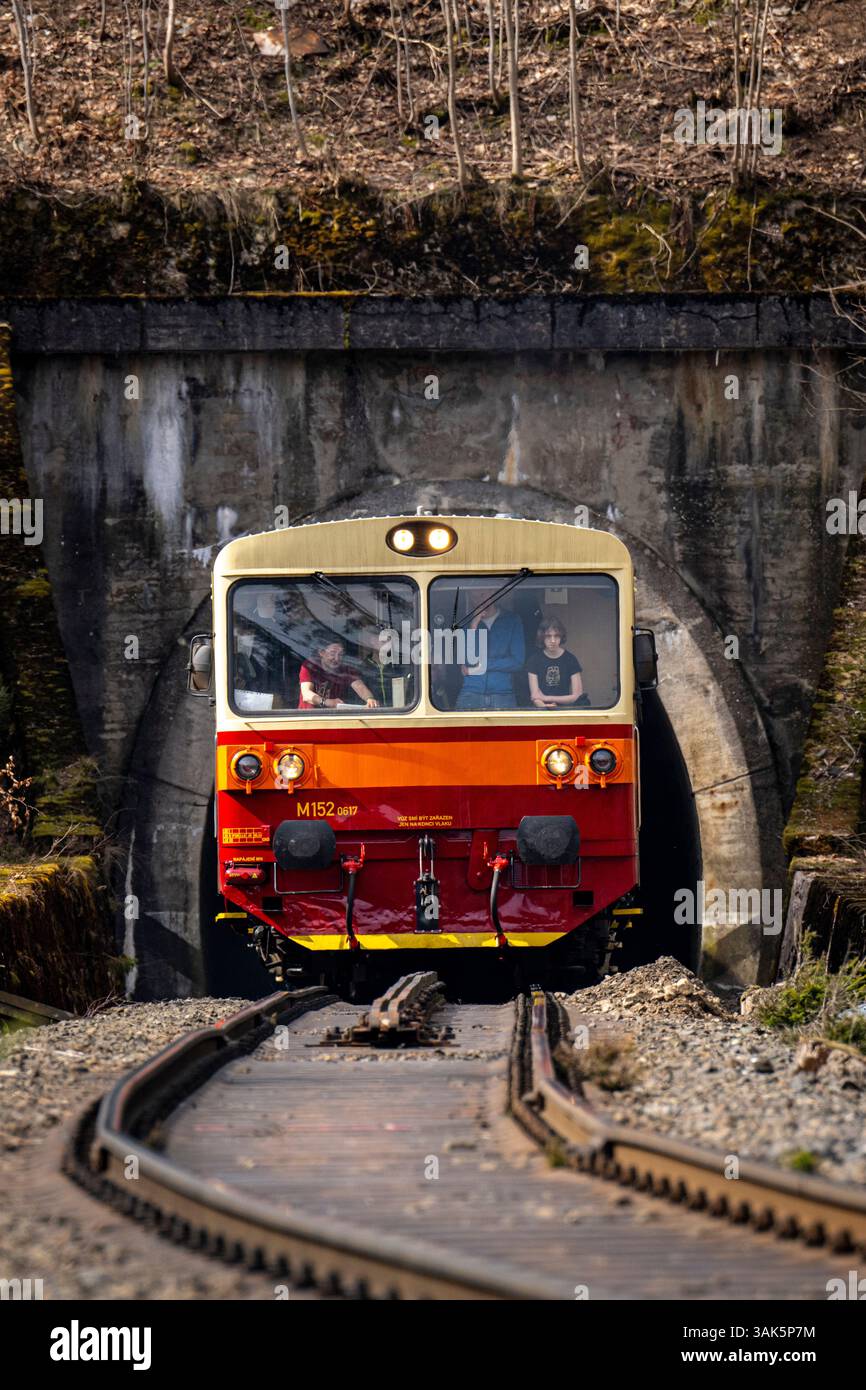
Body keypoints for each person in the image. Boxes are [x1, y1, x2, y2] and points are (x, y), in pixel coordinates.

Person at [456, 588, 525, 710]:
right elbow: (467, 660)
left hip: (502, 692)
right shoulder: (465, 623)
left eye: (483, 594)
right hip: (471, 691)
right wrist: (473, 626)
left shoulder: (512, 620)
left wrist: (483, 666)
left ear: (493, 594)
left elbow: (517, 662)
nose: (479, 600)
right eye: (474, 596)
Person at [298, 637, 379, 709]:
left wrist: (370, 699)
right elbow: (306, 695)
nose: (337, 658)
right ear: (322, 653)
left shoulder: (346, 669)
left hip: (335, 718)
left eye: (340, 654)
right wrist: (327, 702)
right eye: (332, 653)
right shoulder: (310, 666)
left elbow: (359, 686)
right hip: (308, 718)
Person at [526, 615, 583, 708]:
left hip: (565, 710)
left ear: (561, 637)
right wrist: (544, 706)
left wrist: (546, 698)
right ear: (542, 637)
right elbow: (535, 695)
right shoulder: (534, 660)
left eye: (556, 636)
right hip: (541, 711)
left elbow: (577, 695)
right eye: (548, 636)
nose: (552, 640)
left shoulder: (570, 659)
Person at [361, 628, 414, 708]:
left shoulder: (400, 664)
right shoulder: (363, 666)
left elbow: (412, 686)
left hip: (401, 712)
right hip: (372, 713)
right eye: (382, 641)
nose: (386, 644)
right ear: (372, 642)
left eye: (388, 641)